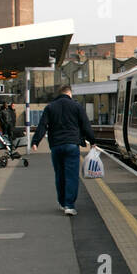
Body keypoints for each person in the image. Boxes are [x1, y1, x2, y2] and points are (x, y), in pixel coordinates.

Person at [30, 85, 95, 215]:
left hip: (56, 145)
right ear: (70, 93)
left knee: (60, 175)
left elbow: (42, 125)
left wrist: (35, 142)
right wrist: (92, 141)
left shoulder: (50, 107)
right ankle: (69, 206)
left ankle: (62, 202)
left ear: (59, 93)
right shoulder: (76, 106)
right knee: (71, 176)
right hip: (72, 145)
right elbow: (85, 125)